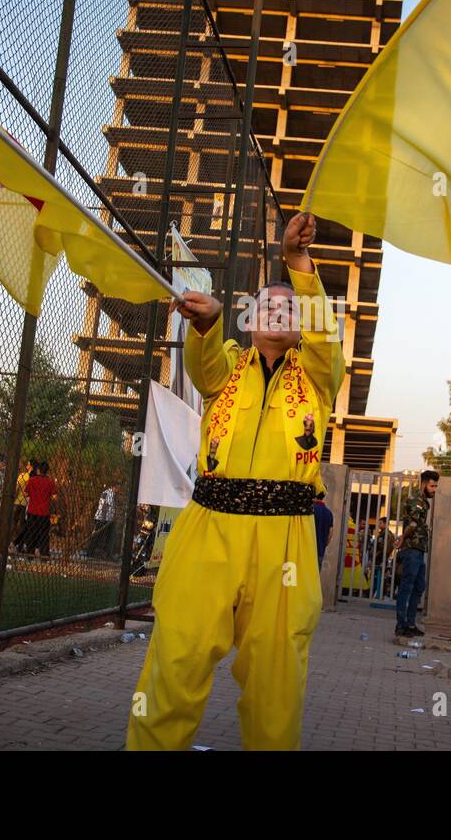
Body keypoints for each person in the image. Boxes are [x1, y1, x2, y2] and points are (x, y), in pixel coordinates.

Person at [126, 211, 344, 751]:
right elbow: (203, 370)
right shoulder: (227, 363)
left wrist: (297, 262)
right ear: (247, 320)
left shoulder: (318, 377)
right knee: (177, 653)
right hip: (210, 528)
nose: (278, 308)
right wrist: (204, 324)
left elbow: (325, 341)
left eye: (289, 305)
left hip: (286, 537)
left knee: (277, 674)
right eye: (266, 303)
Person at [395, 470, 439, 638]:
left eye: (435, 486)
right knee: (406, 587)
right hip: (412, 549)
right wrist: (402, 538)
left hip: (419, 550)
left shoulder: (423, 502)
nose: (434, 489)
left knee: (419, 587)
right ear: (423, 484)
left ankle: (410, 623)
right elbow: (412, 524)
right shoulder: (416, 501)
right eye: (432, 486)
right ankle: (401, 625)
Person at [22, 461, 57, 557]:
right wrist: (47, 496)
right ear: (47, 471)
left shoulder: (32, 480)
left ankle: (30, 553)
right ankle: (44, 553)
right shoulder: (50, 481)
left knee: (31, 532)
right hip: (44, 512)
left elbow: (25, 493)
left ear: (38, 470)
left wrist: (33, 494)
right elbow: (54, 497)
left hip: (32, 510)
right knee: (44, 534)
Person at [11, 458, 34, 552]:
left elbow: (16, 489)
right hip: (26, 503)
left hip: (17, 502)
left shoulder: (21, 476)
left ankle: (9, 543)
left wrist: (13, 499)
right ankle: (19, 546)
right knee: (22, 526)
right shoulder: (32, 477)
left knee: (13, 524)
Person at [92, 483, 120, 560]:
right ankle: (91, 552)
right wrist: (103, 519)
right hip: (102, 518)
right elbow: (104, 506)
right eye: (117, 487)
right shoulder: (107, 493)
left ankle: (107, 554)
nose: (118, 490)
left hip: (109, 519)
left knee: (107, 536)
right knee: (97, 536)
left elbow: (113, 507)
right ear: (113, 487)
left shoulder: (113, 494)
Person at [312, 491, 333, 569]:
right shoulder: (329, 513)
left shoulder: (310, 509)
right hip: (320, 551)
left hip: (307, 550)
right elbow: (331, 533)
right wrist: (324, 544)